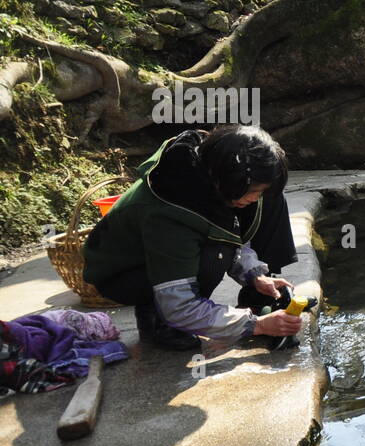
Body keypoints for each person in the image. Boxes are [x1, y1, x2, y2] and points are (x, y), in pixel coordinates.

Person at [82, 126, 304, 351]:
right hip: (122, 274)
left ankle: (257, 295)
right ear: (228, 180)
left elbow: (228, 229)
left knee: (268, 205)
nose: (256, 198)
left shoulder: (209, 173)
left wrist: (255, 275)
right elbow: (180, 307)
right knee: (214, 257)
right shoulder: (171, 209)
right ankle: (158, 319)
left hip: (159, 255)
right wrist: (256, 325)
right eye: (254, 191)